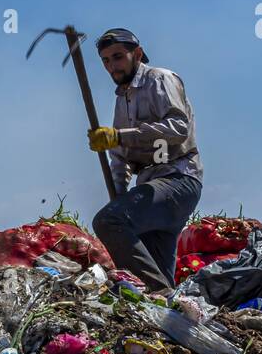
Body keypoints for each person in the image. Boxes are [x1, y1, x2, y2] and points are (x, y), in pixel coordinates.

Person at [86, 28, 202, 294]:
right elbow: (120, 158)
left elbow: (178, 128)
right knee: (158, 276)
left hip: (177, 179)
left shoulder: (159, 80)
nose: (111, 66)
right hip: (150, 186)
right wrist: (119, 195)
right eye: (105, 61)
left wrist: (120, 136)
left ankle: (160, 295)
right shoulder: (122, 100)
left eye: (117, 57)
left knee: (108, 222)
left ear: (137, 54)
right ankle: (170, 313)